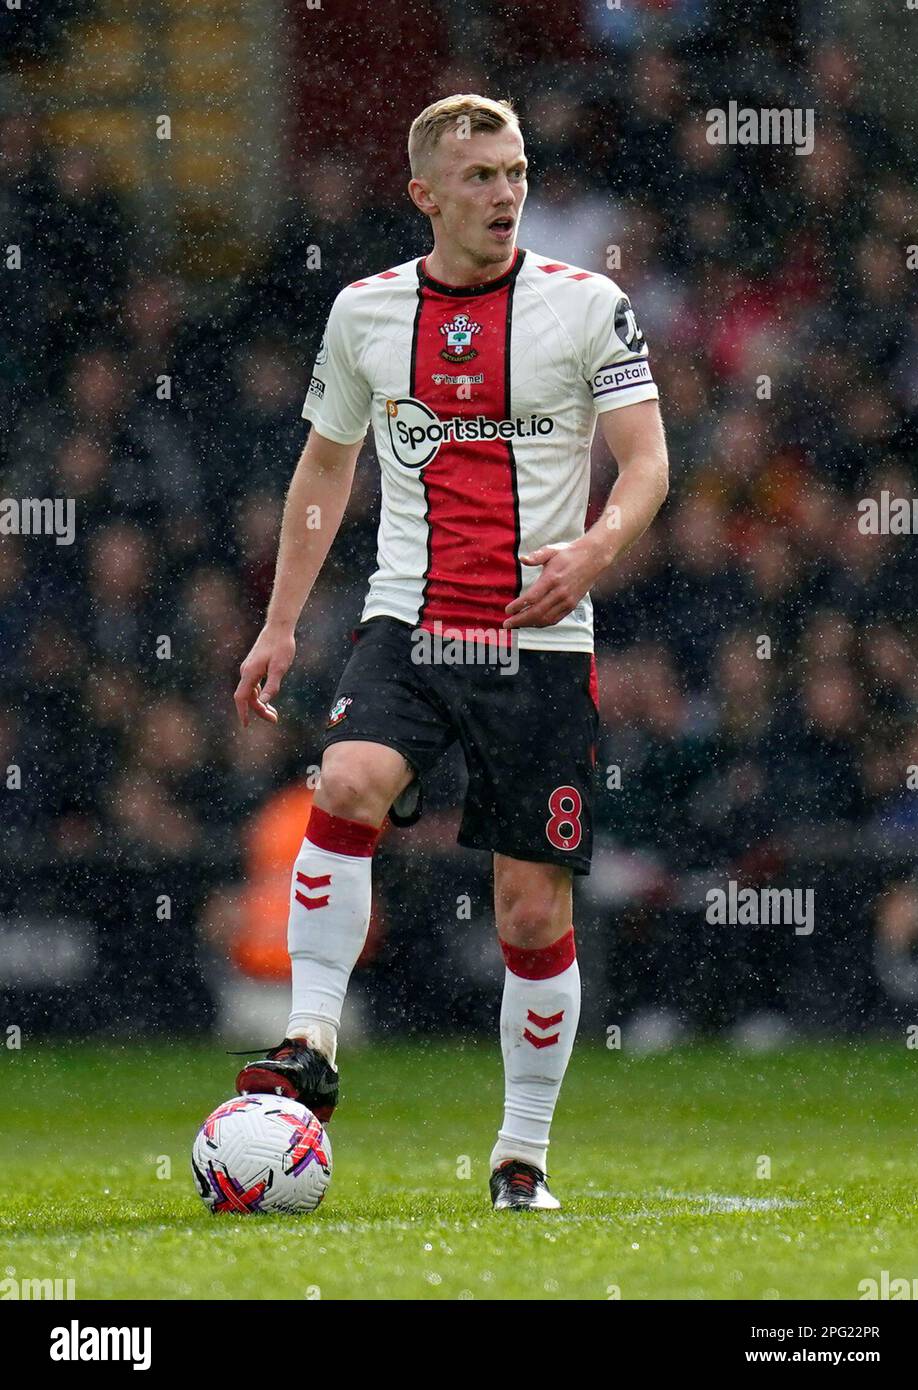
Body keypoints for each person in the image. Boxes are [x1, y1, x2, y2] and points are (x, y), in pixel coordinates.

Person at [232, 94, 668, 1210]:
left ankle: (522, 1154)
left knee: (531, 911)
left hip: (543, 637)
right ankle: (311, 1038)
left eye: (516, 171)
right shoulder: (366, 313)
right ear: (425, 194)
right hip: (413, 621)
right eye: (478, 176)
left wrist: (595, 549)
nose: (505, 193)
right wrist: (282, 621)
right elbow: (325, 471)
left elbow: (648, 461)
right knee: (348, 777)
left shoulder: (587, 305)